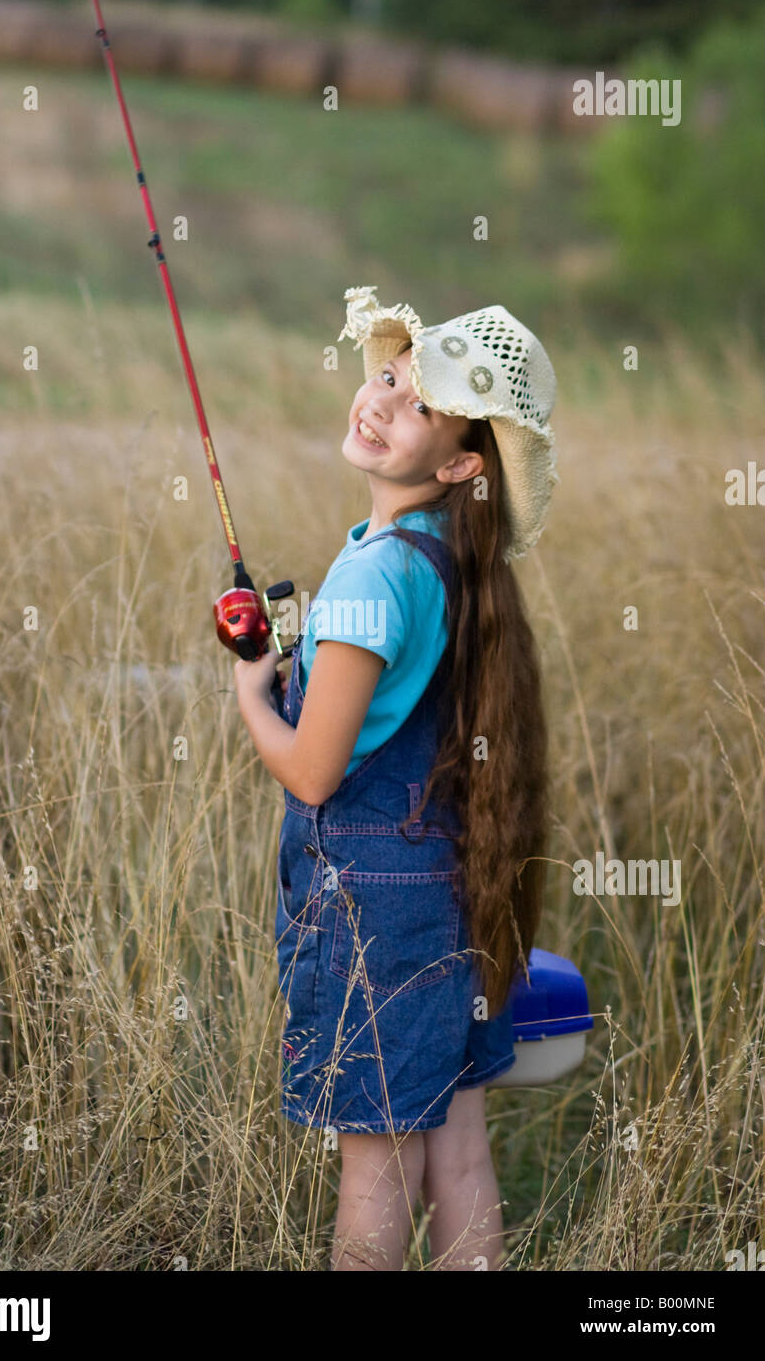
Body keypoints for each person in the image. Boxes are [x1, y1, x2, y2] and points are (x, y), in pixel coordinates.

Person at [234, 284, 559, 1271]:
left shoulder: (374, 575)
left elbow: (315, 772)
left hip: (372, 914)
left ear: (460, 461)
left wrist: (254, 693)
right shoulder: (445, 562)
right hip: (449, 898)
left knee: (373, 1171)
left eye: (417, 402)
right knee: (455, 1153)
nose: (378, 400)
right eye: (384, 375)